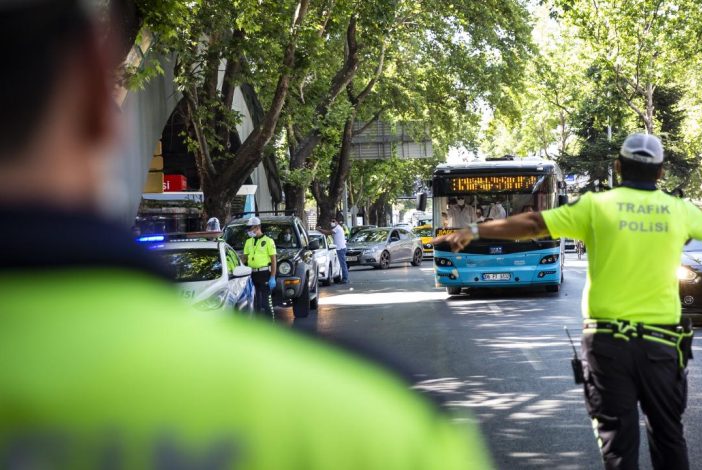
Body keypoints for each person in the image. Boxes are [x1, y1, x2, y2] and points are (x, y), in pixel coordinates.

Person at [0, 2, 490, 467]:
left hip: (259, 277)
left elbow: (270, 257)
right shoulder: (375, 422)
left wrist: (270, 269)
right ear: (95, 97)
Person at [434, 133, 702, 470]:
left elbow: (533, 223)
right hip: (661, 345)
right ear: (661, 172)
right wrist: (680, 228)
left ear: (618, 167)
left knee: (618, 445)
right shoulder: (677, 210)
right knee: (668, 437)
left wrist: (474, 230)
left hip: (607, 346)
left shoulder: (595, 206)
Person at [244, 217, 277, 316]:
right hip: (252, 274)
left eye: (250, 228)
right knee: (256, 303)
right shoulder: (248, 241)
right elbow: (245, 259)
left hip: (264, 274)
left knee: (266, 303)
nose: (249, 231)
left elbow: (273, 260)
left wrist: (272, 276)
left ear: (257, 227)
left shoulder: (268, 241)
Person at [318, 216, 349, 284]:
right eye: (331, 221)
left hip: (340, 248)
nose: (332, 223)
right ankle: (345, 278)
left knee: (343, 264)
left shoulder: (337, 228)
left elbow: (328, 232)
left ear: (337, 222)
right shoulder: (337, 228)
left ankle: (345, 279)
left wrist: (320, 230)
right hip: (340, 248)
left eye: (334, 221)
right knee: (342, 264)